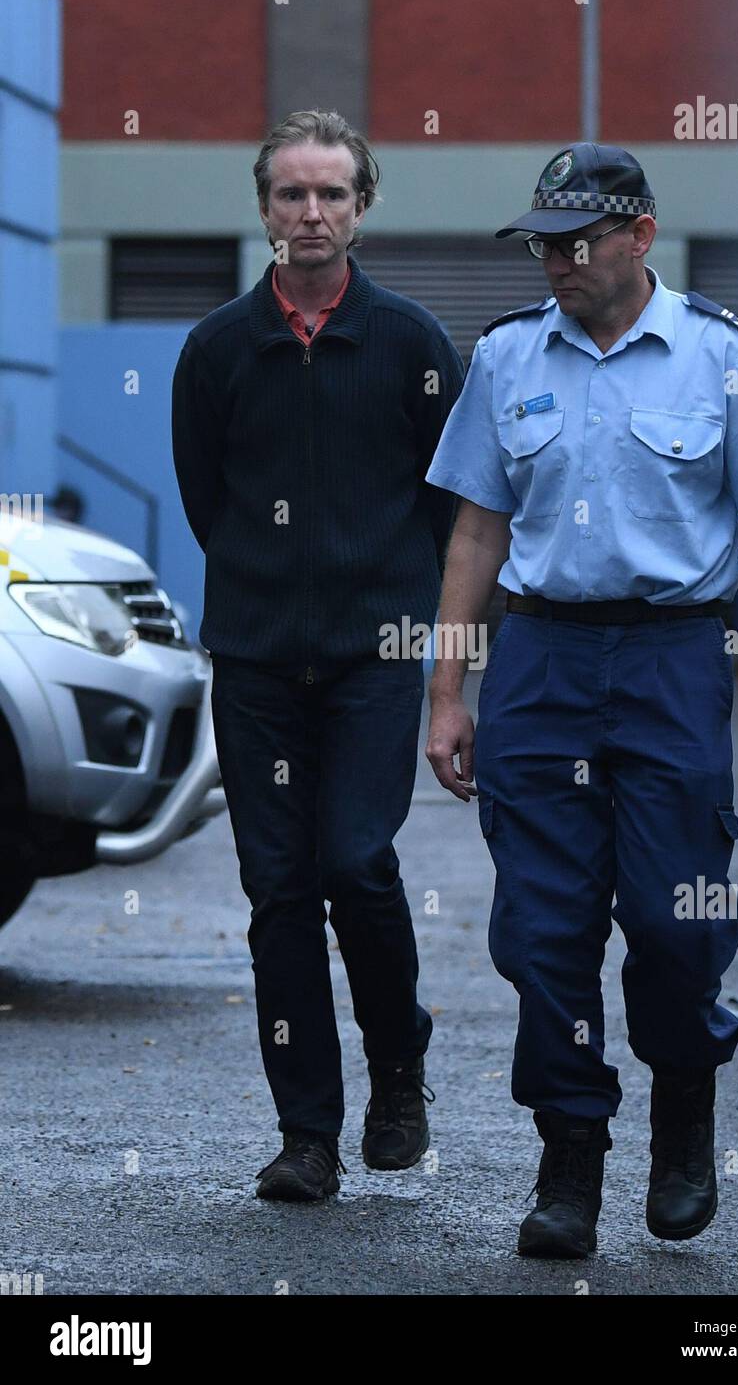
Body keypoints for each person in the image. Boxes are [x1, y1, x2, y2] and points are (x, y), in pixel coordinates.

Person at [424, 142, 738, 1258]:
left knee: (671, 917)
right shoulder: (506, 360)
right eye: (541, 241)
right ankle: (569, 1160)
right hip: (541, 665)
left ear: (638, 236)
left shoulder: (718, 357)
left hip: (669, 664)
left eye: (574, 239)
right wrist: (446, 689)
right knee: (542, 935)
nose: (553, 259)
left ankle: (683, 1104)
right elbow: (473, 531)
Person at [172, 109, 463, 1201]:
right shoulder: (215, 350)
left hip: (370, 657)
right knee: (278, 893)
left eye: (330, 193)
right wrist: (271, 586)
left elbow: (449, 507)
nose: (310, 212)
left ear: (361, 205)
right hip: (253, 660)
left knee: (354, 862)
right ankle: (308, 1133)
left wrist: (390, 604)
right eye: (291, 194)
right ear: (263, 209)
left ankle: (400, 1065)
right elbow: (210, 502)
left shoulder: (412, 346)